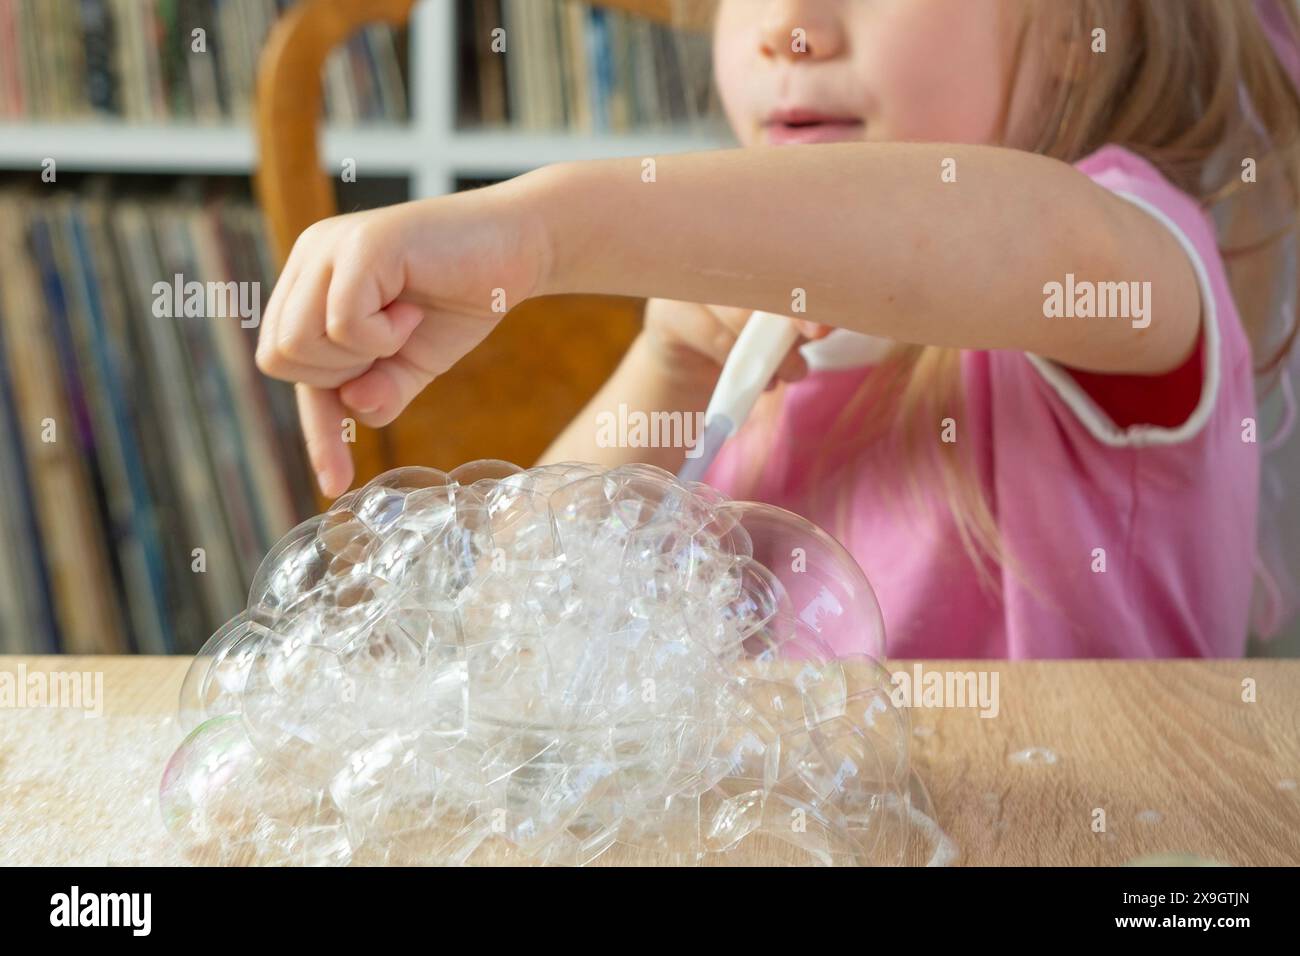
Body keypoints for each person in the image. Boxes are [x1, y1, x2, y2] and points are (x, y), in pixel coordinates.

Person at [256, 0, 1300, 657]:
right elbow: (513, 636)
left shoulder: (1123, 251)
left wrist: (544, 231)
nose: (789, 26)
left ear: (1079, 23)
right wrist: (662, 367)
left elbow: (1019, 229)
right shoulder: (733, 328)